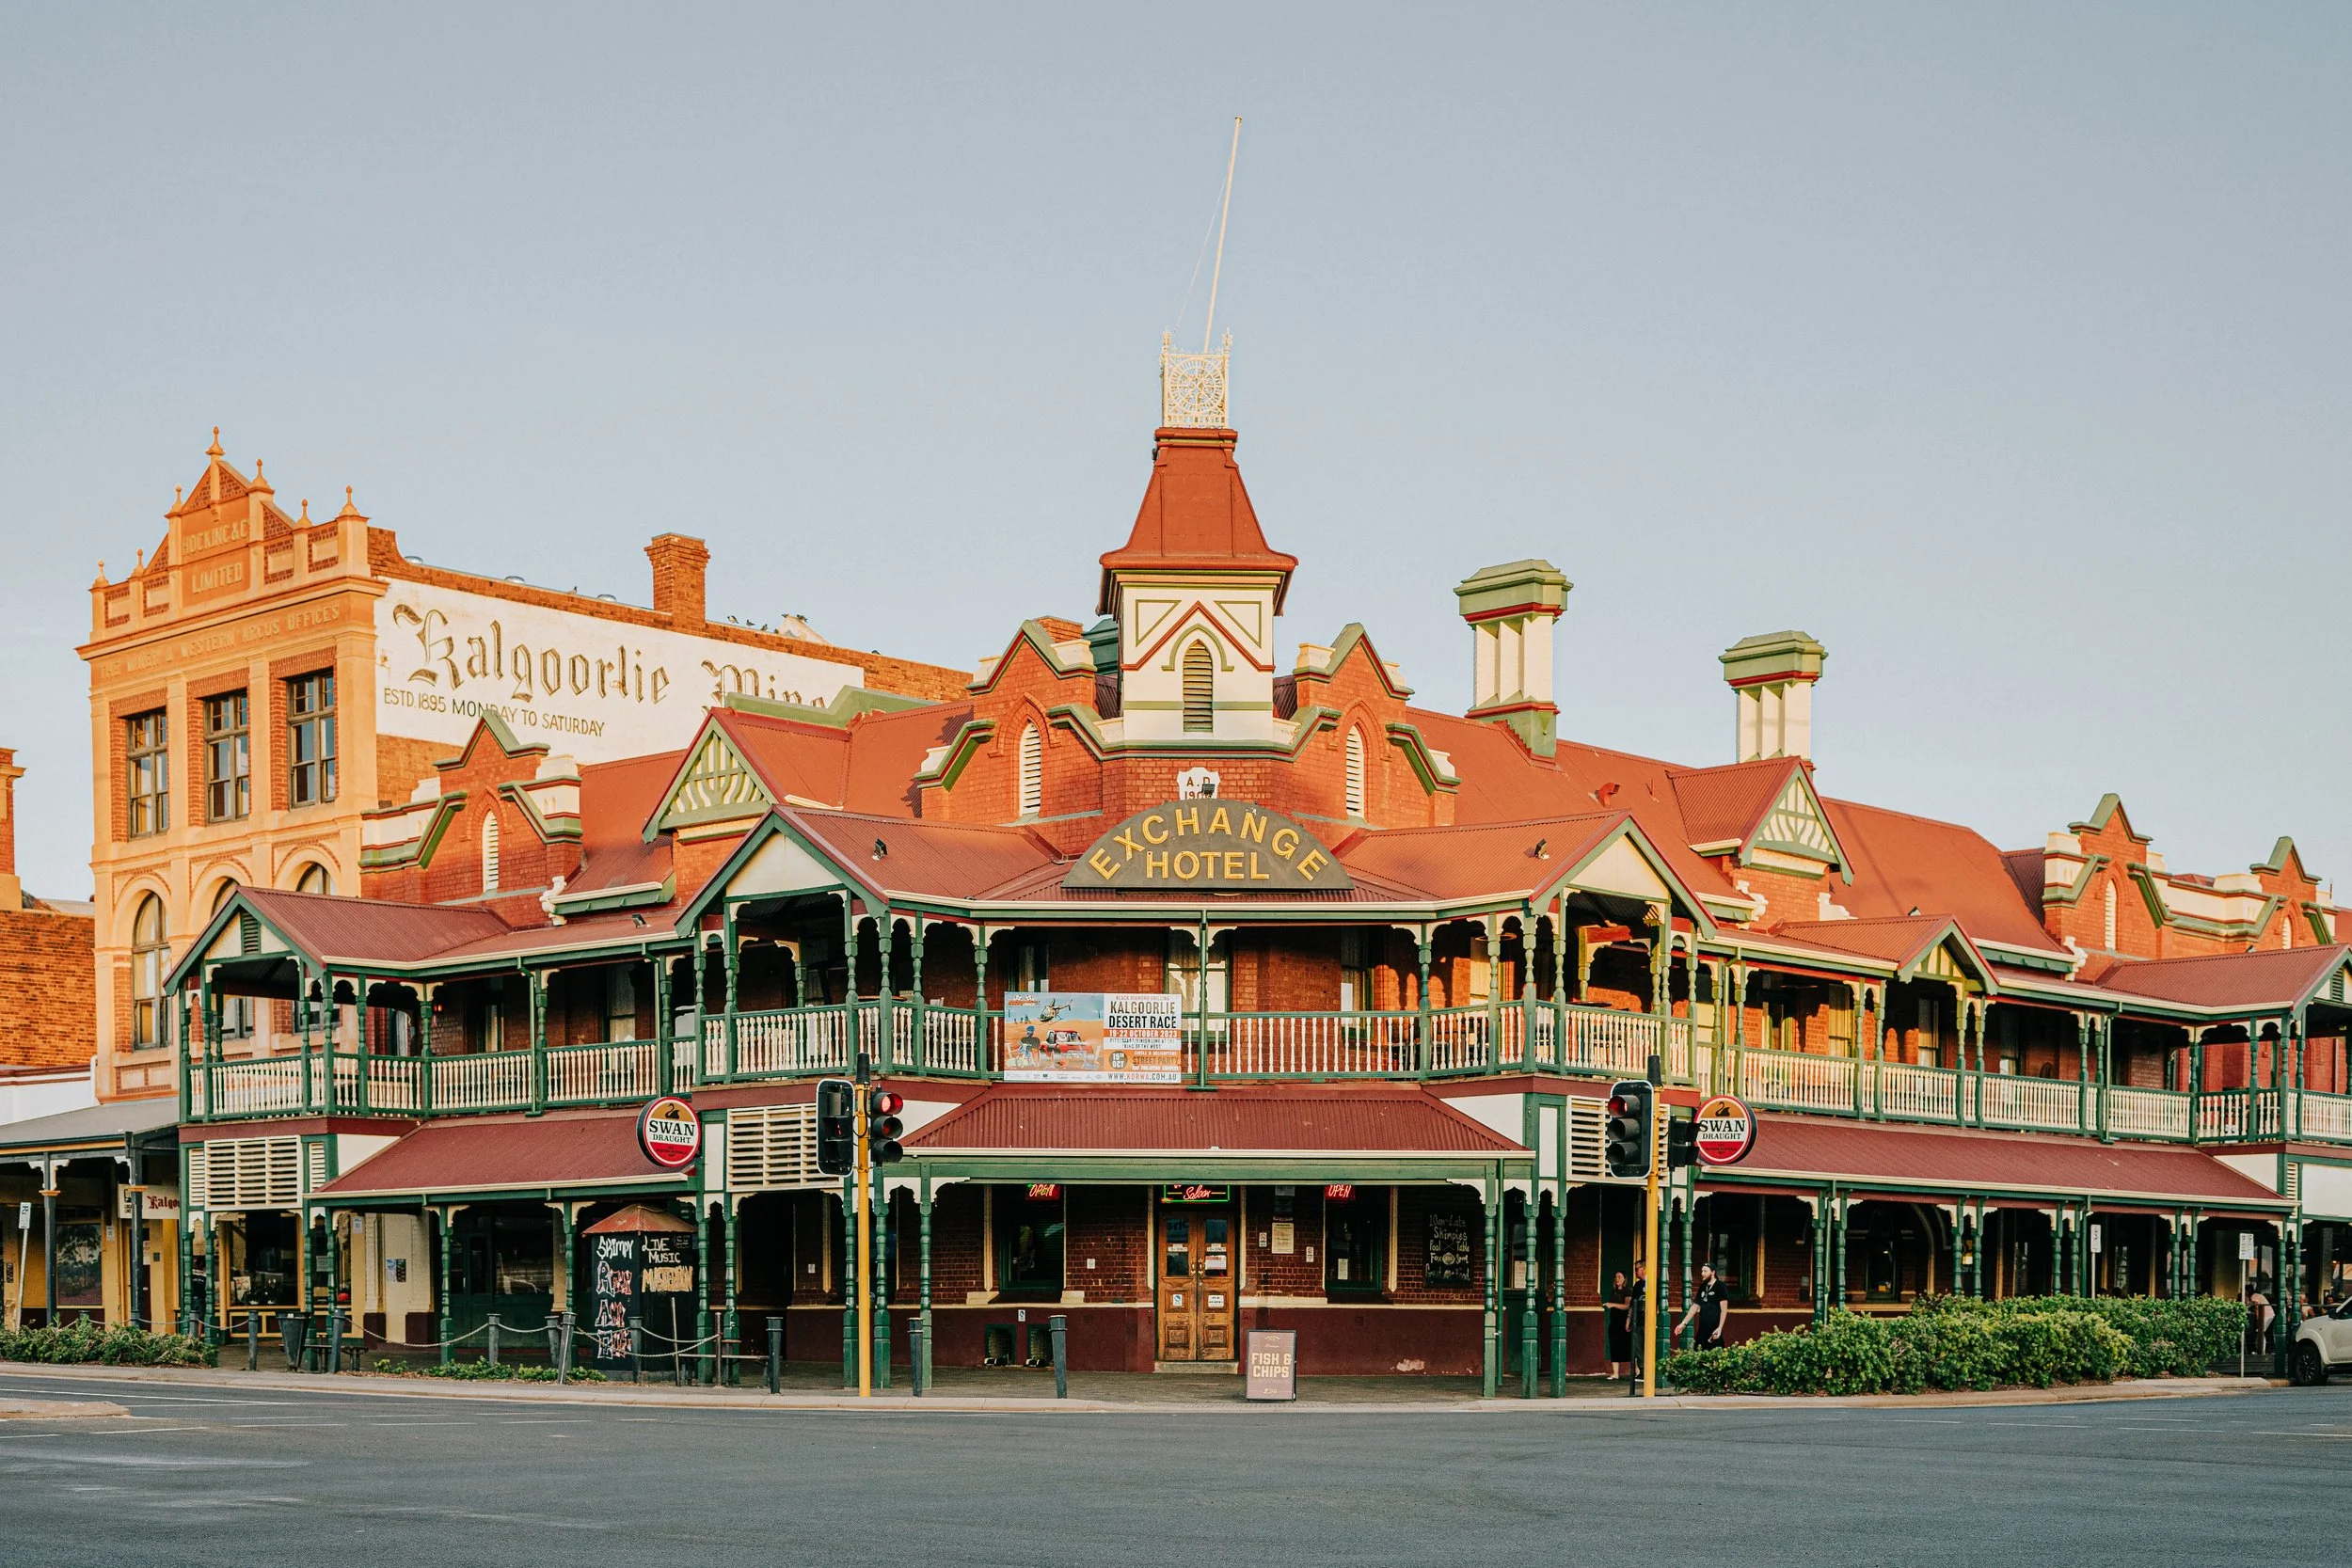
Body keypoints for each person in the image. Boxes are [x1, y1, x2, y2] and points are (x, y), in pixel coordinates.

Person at [1677, 1262, 1727, 1351]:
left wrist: (1719, 1328)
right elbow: (1695, 1306)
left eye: (1705, 1271)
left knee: (1716, 1355)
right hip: (1702, 1328)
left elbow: (1724, 1309)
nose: (1702, 1273)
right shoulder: (1703, 1287)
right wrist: (1683, 1323)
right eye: (1702, 1271)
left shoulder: (1720, 1286)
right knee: (1698, 1352)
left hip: (1714, 1329)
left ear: (1713, 1272)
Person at [1604, 1270, 1631, 1379]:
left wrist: (1612, 1305)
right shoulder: (1614, 1291)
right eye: (1616, 1277)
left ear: (1624, 1279)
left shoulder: (1627, 1291)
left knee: (1628, 1346)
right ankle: (1615, 1373)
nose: (1617, 1279)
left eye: (1620, 1277)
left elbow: (1627, 1306)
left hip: (1624, 1322)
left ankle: (1638, 1370)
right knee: (1614, 1346)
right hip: (1614, 1322)